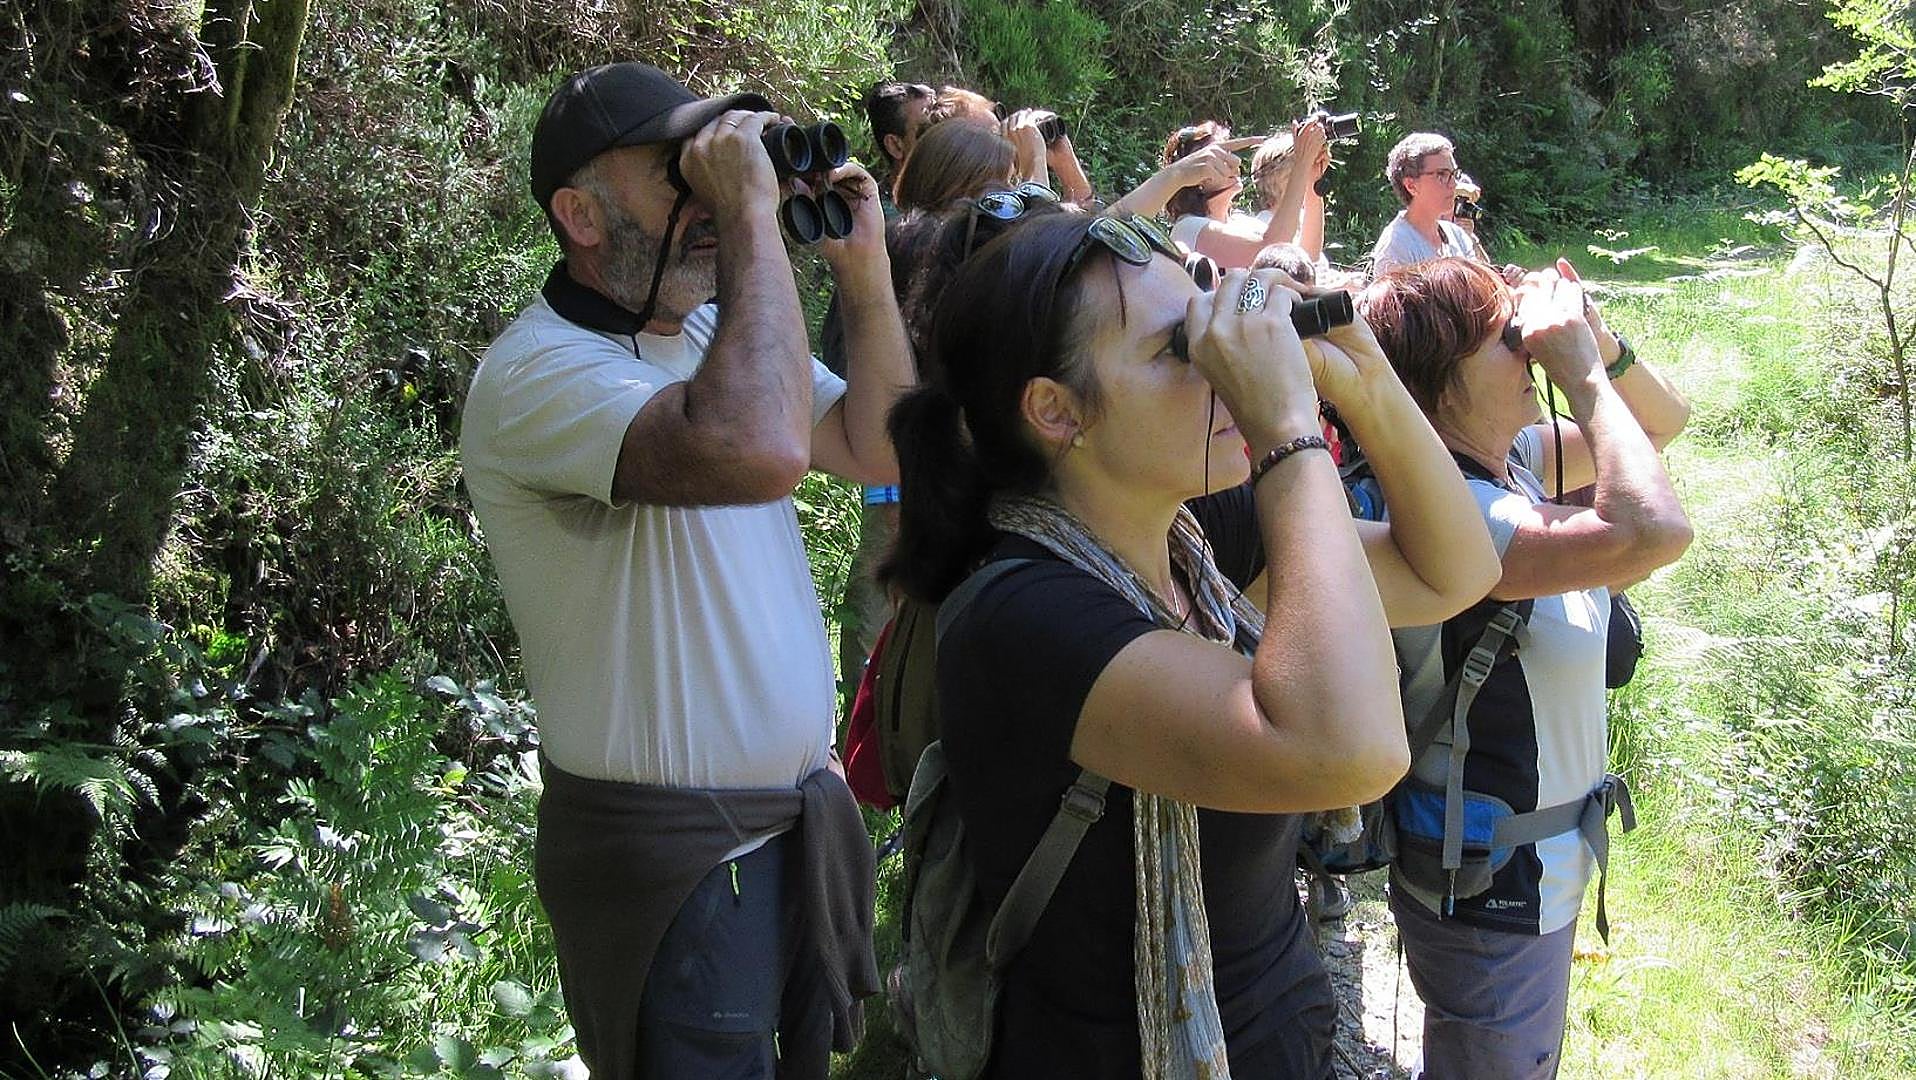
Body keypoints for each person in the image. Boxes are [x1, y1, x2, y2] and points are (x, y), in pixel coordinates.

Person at [884, 211, 1503, 1077]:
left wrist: (1359, 373)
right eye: (1183, 348)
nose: (1220, 361)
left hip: (1272, 1030)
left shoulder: (1191, 534)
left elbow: (1454, 570)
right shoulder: (1020, 615)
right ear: (1056, 412)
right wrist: (1287, 429)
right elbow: (1347, 750)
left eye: (1214, 325)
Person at [460, 62, 913, 1080]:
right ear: (578, 213)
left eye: (716, 169)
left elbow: (883, 445)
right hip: (682, 865)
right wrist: (754, 212)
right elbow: (758, 451)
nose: (710, 198)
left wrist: (862, 269)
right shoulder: (537, 376)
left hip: (785, 836)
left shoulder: (711, 336)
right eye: (681, 175)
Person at [1358, 256, 1692, 1079]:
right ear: (1440, 385)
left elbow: (1659, 426)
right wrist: (1578, 373)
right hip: (1493, 886)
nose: (1529, 351)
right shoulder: (1455, 512)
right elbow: (1653, 530)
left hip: (1532, 871)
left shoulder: (1506, 465)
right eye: (1505, 340)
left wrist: (1601, 348)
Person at [1158, 120, 1324, 269]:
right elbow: (1271, 249)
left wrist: (1312, 184)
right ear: (1195, 176)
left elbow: (1305, 261)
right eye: (1220, 158)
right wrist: (1302, 162)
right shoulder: (1189, 228)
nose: (1234, 162)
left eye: (1229, 154)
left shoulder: (1243, 223)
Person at [1368, 132, 1477, 275]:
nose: (1454, 184)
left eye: (1454, 174)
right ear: (1411, 186)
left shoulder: (1457, 236)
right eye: (1441, 175)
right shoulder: (1396, 247)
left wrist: (1510, 283)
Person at [1248, 123, 1331, 270]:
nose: (1302, 177)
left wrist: (1314, 181)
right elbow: (1299, 266)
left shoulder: (1303, 220)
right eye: (1298, 171)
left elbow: (1311, 259)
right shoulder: (1260, 227)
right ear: (1275, 178)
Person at [862, 79, 935, 210]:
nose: (941, 138)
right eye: (927, 131)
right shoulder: (874, 215)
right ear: (895, 146)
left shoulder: (961, 199)